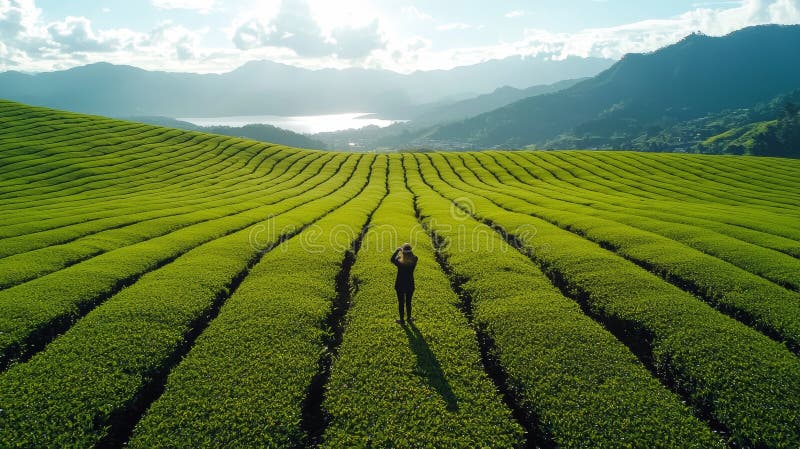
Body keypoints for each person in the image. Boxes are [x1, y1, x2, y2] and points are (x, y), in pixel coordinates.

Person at [390, 243, 418, 324]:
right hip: (410, 285)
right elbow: (414, 256)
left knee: (401, 302)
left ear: (403, 252)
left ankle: (402, 320)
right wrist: (408, 251)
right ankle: (409, 319)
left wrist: (398, 251)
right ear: (411, 251)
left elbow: (392, 259)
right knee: (409, 302)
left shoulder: (399, 262)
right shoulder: (415, 259)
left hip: (400, 285)